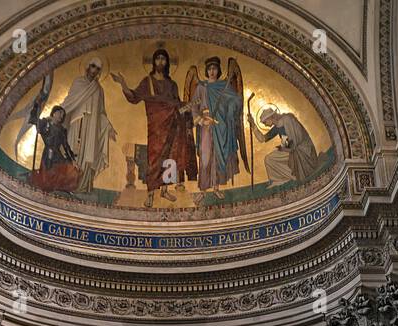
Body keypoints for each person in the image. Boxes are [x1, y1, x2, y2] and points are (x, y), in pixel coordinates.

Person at [112, 48, 197, 207]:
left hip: (172, 126)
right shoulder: (147, 82)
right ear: (153, 62)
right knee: (154, 159)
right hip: (156, 128)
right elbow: (134, 97)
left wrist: (189, 107)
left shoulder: (172, 84)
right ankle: (150, 194)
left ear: (166, 63)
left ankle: (164, 190)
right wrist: (123, 83)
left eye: (163, 59)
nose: (160, 62)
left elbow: (177, 104)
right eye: (157, 59)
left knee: (170, 157)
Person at [185, 56, 245, 201]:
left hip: (221, 125)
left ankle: (216, 187)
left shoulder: (224, 86)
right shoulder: (202, 87)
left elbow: (237, 100)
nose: (212, 71)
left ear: (218, 70)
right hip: (206, 126)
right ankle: (203, 189)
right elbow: (194, 106)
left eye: (215, 69)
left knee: (218, 156)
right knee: (205, 156)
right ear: (206, 71)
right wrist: (200, 120)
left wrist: (230, 108)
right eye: (210, 69)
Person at [56, 57, 118, 193]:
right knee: (71, 150)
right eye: (93, 66)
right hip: (76, 123)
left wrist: (109, 128)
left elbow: (101, 112)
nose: (94, 70)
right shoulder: (78, 82)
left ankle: (82, 186)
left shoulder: (98, 89)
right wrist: (56, 115)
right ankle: (66, 183)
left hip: (91, 128)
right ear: (88, 67)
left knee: (87, 154)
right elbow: (69, 101)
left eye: (97, 69)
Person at [249, 106, 319, 186]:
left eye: (265, 122)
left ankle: (294, 175)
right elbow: (263, 139)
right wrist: (253, 124)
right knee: (269, 159)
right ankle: (279, 179)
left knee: (270, 159)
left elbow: (296, 139)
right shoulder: (277, 127)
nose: (265, 125)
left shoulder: (287, 119)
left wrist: (284, 147)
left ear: (270, 117)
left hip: (301, 149)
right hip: (290, 149)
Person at [28, 103, 81, 194]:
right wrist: (36, 107)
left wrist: (72, 160)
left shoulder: (62, 130)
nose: (61, 116)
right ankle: (48, 186)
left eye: (63, 115)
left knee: (71, 169)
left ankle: (63, 187)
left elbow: (66, 146)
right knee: (48, 174)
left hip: (57, 154)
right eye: (60, 113)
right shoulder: (45, 123)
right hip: (49, 153)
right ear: (54, 113)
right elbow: (33, 119)